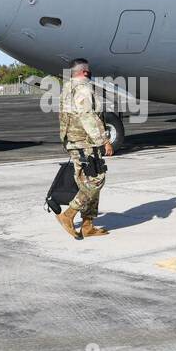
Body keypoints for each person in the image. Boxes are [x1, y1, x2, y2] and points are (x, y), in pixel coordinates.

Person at [57, 58, 114, 239]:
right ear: (86, 72)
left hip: (75, 141)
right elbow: (87, 116)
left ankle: (88, 225)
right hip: (84, 142)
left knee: (86, 182)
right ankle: (68, 215)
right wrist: (104, 140)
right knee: (96, 180)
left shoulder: (67, 87)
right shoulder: (83, 88)